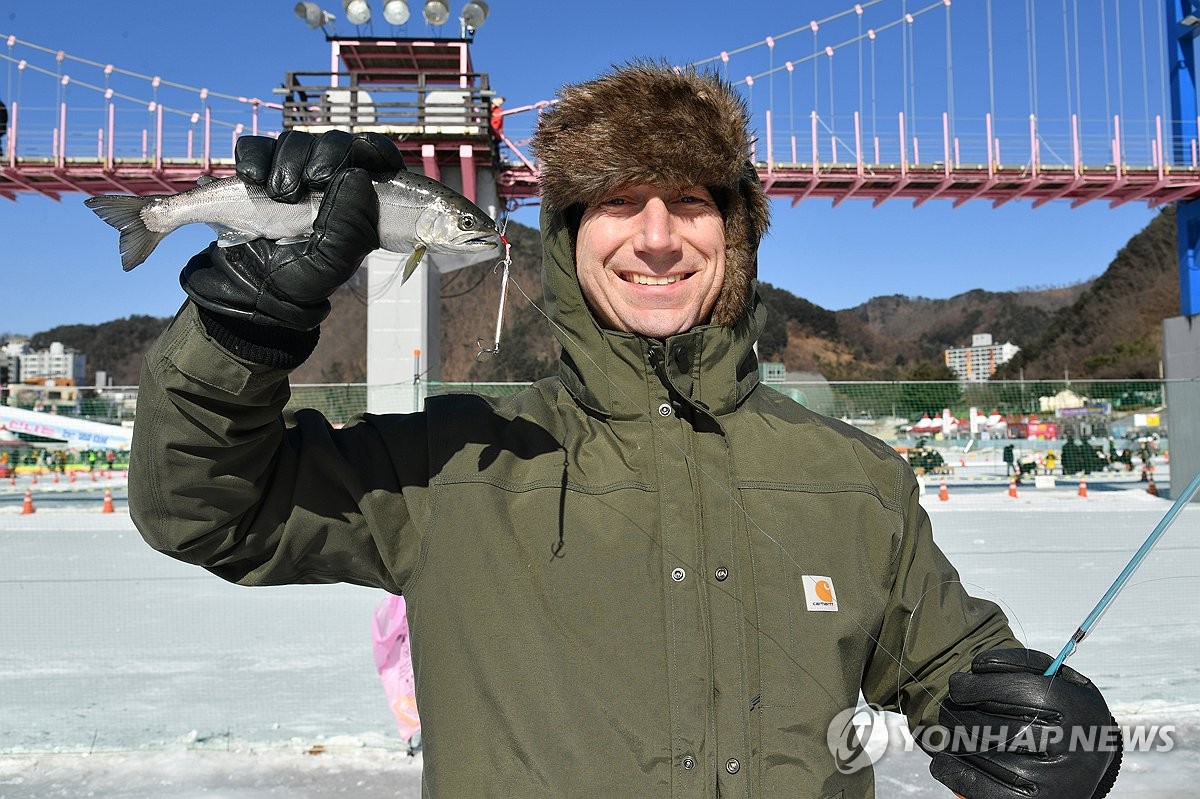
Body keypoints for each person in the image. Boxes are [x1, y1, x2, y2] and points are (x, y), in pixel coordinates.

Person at [128, 64, 1121, 797]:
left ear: (733, 234)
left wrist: (1050, 729)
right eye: (616, 201)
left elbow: (953, 665)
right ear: (567, 240)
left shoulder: (854, 479)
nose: (655, 235)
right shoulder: (445, 465)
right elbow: (209, 509)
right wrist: (236, 333)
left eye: (689, 199)